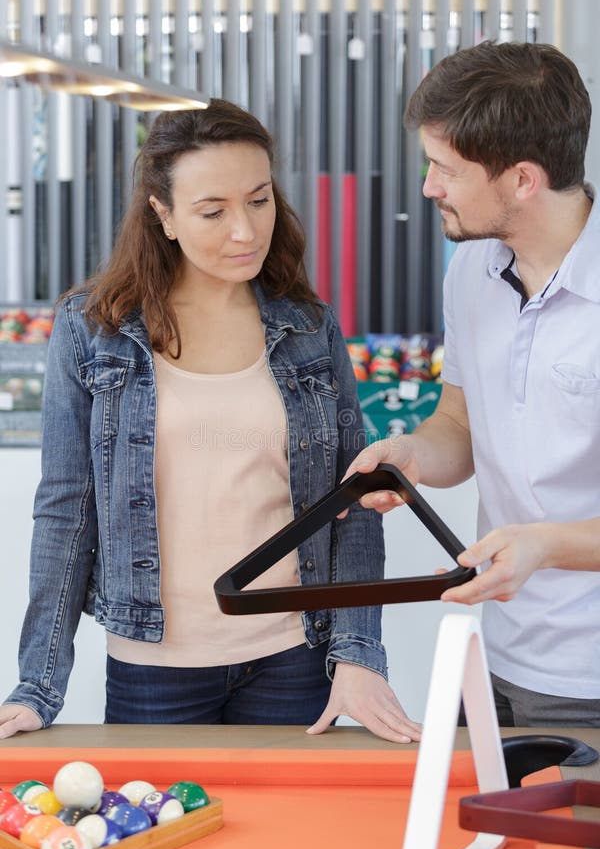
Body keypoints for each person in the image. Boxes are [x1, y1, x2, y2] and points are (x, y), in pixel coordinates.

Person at [0, 100, 420, 743]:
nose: (246, 231)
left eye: (258, 200)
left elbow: (356, 498)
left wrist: (358, 653)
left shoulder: (308, 327)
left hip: (293, 656)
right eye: (213, 211)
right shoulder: (94, 330)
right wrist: (38, 685)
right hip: (154, 669)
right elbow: (65, 509)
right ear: (162, 214)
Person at [344, 41, 600, 727]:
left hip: (588, 678)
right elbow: (458, 425)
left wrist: (545, 545)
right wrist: (414, 456)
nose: (429, 187)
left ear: (522, 180)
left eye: (445, 169)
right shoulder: (472, 270)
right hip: (490, 653)